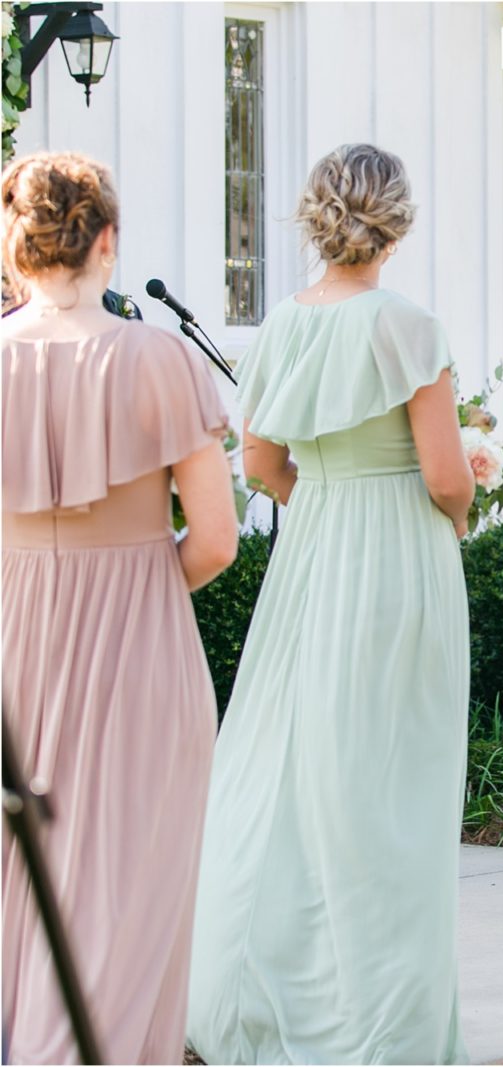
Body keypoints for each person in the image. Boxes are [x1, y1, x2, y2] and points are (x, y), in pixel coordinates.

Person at [185, 144, 474, 1063]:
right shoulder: (410, 327)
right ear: (396, 218)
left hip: (313, 554)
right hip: (397, 560)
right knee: (391, 782)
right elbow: (442, 475)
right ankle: (380, 1027)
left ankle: (263, 1003)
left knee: (296, 770)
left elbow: (263, 465)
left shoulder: (279, 326)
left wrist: (330, 504)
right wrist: (468, 492)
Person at [1, 151, 238, 1063]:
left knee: (25, 895)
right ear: (106, 240)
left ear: (19, 246)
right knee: (129, 896)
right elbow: (214, 539)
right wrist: (134, 591)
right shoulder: (159, 359)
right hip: (142, 652)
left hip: (16, 644)